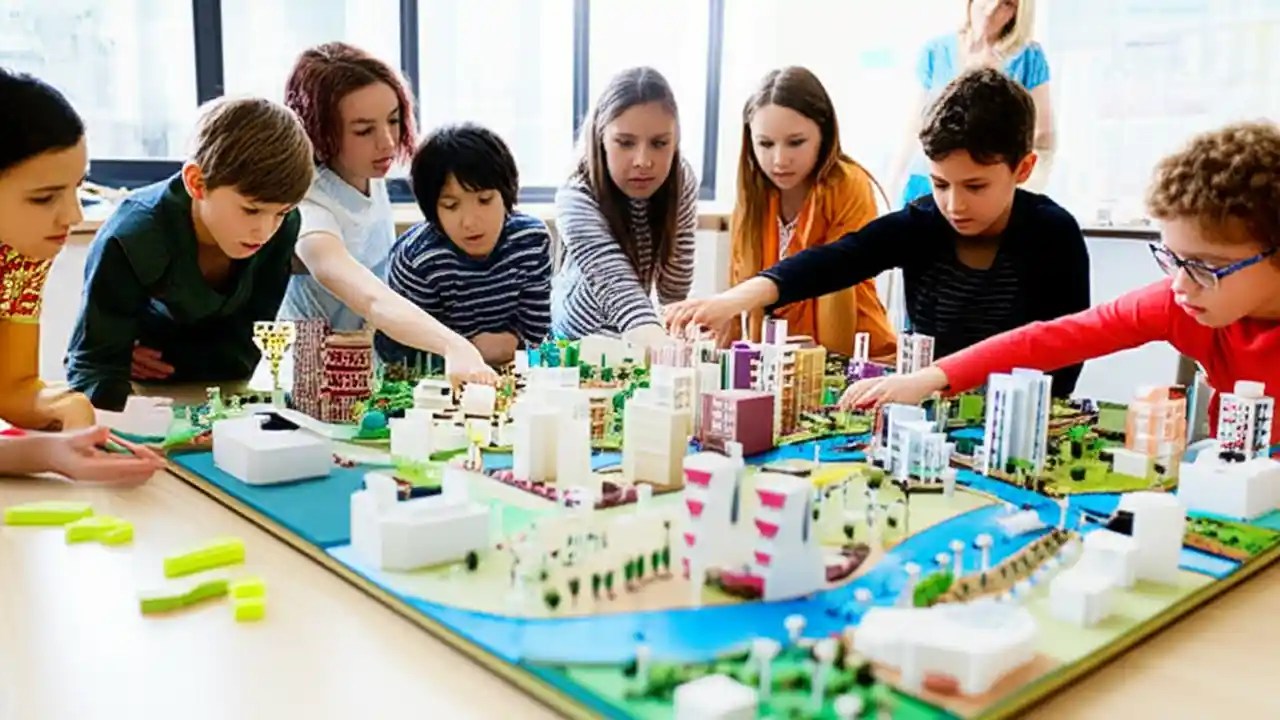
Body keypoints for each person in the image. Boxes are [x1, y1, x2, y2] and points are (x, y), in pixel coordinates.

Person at [845, 121, 1280, 448]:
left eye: (1208, 266)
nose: (1182, 285)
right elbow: (1056, 338)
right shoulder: (1180, 302)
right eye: (1173, 258)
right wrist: (929, 378)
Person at [665, 68, 1089, 397]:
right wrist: (732, 300)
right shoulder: (923, 222)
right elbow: (840, 258)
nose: (955, 206)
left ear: (1023, 169)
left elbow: (1063, 359)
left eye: (975, 186)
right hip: (922, 403)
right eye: (940, 184)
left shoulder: (1053, 235)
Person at [66, 96, 314, 412]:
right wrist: (118, 356)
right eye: (251, 210)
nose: (265, 231)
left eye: (281, 212)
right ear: (197, 183)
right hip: (139, 399)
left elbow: (241, 355)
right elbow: (93, 366)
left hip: (221, 394)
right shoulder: (133, 235)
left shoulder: (285, 227)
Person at [281, 41, 494, 380]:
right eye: (364, 130)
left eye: (393, 121)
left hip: (367, 363)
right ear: (319, 129)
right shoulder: (307, 205)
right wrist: (456, 345)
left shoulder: (369, 174)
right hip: (311, 374)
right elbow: (370, 298)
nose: (388, 142)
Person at [0, 68, 161, 483]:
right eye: (44, 197)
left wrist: (65, 407)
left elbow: (12, 386)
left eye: (77, 188)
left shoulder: (19, 254)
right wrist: (43, 453)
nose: (72, 216)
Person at [723, 66, 896, 360]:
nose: (779, 160)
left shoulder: (847, 184)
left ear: (823, 133)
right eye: (765, 143)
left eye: (796, 142)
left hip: (854, 363)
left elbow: (837, 288)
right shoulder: (752, 192)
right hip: (774, 365)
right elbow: (741, 297)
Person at [376, 123, 552, 370]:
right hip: (436, 377)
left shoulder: (531, 241)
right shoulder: (418, 259)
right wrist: (472, 350)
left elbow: (537, 330)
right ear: (432, 209)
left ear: (506, 193)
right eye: (451, 205)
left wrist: (511, 346)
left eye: (484, 200)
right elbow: (403, 350)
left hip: (514, 370)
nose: (470, 222)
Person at [551, 66, 697, 348]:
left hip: (633, 335)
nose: (643, 160)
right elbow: (615, 283)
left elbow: (675, 285)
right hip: (573, 343)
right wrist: (664, 347)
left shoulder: (681, 178)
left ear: (675, 139)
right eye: (625, 143)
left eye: (659, 143)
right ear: (601, 138)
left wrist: (682, 329)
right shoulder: (575, 195)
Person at [888, 0, 1055, 207]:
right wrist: (894, 180)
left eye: (1007, 4)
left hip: (986, 187)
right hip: (928, 180)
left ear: (1019, 14)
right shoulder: (936, 51)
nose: (991, 9)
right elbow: (915, 126)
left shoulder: (1028, 57)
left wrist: (1022, 189)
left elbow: (1043, 136)